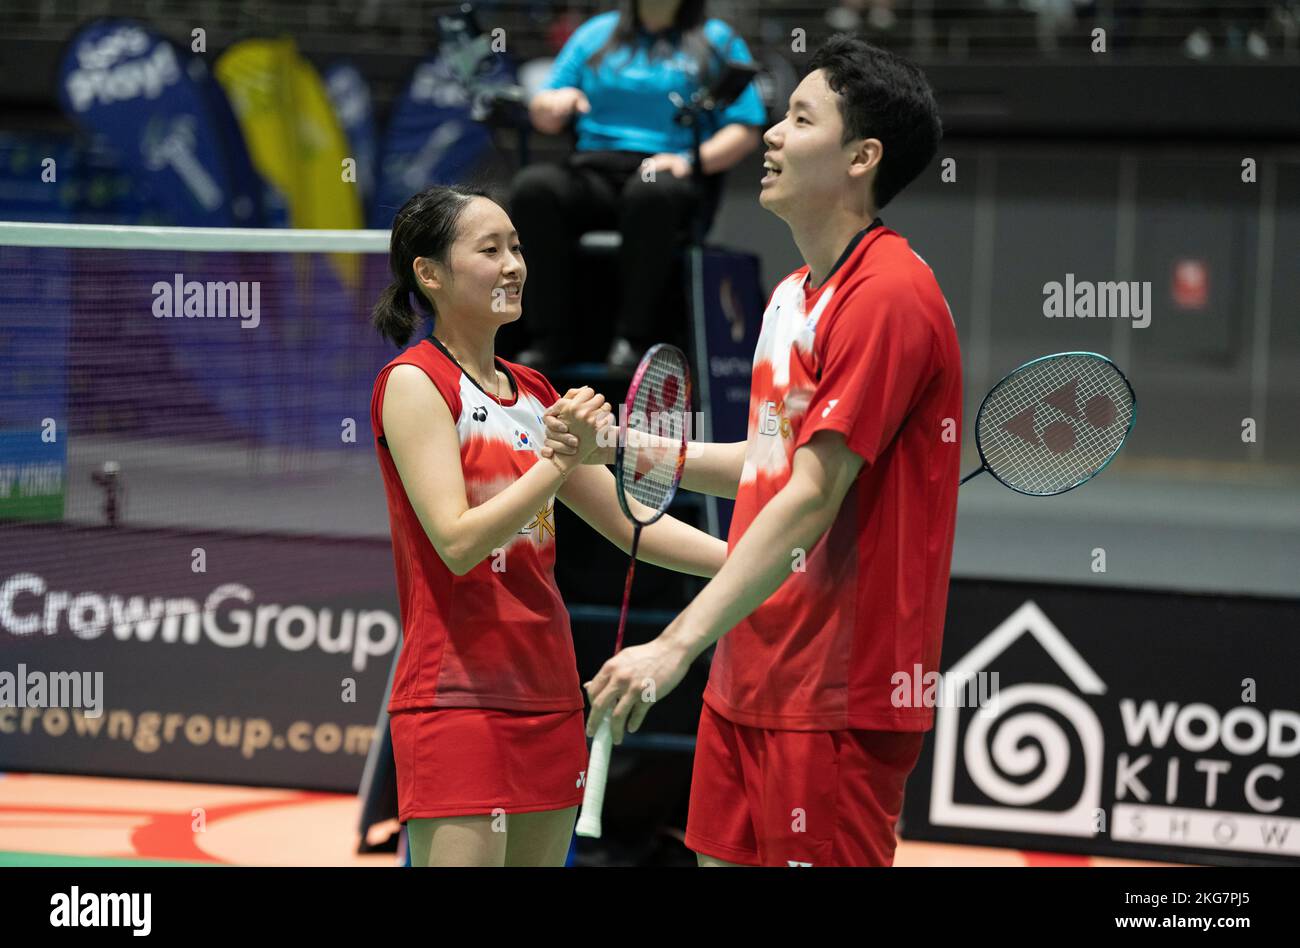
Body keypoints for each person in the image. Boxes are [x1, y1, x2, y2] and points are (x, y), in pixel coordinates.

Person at [547, 35, 961, 866]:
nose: (769, 134)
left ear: (861, 157)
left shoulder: (890, 295)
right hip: (752, 666)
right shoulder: (791, 296)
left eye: (799, 118)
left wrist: (674, 644)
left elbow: (812, 492)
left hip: (837, 690)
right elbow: (766, 462)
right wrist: (622, 447)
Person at [369, 184, 726, 866]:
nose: (514, 264)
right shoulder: (415, 384)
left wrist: (749, 563)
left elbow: (629, 526)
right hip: (457, 695)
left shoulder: (534, 393)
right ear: (430, 273)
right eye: (490, 249)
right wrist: (557, 460)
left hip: (550, 691)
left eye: (518, 247)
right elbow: (458, 542)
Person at [510, 0, 766, 373]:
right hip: (594, 168)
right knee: (535, 188)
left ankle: (634, 340)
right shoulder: (596, 34)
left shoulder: (716, 41)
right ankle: (549, 339)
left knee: (650, 192)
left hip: (665, 168)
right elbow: (545, 108)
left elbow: (744, 128)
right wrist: (551, 104)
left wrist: (691, 162)